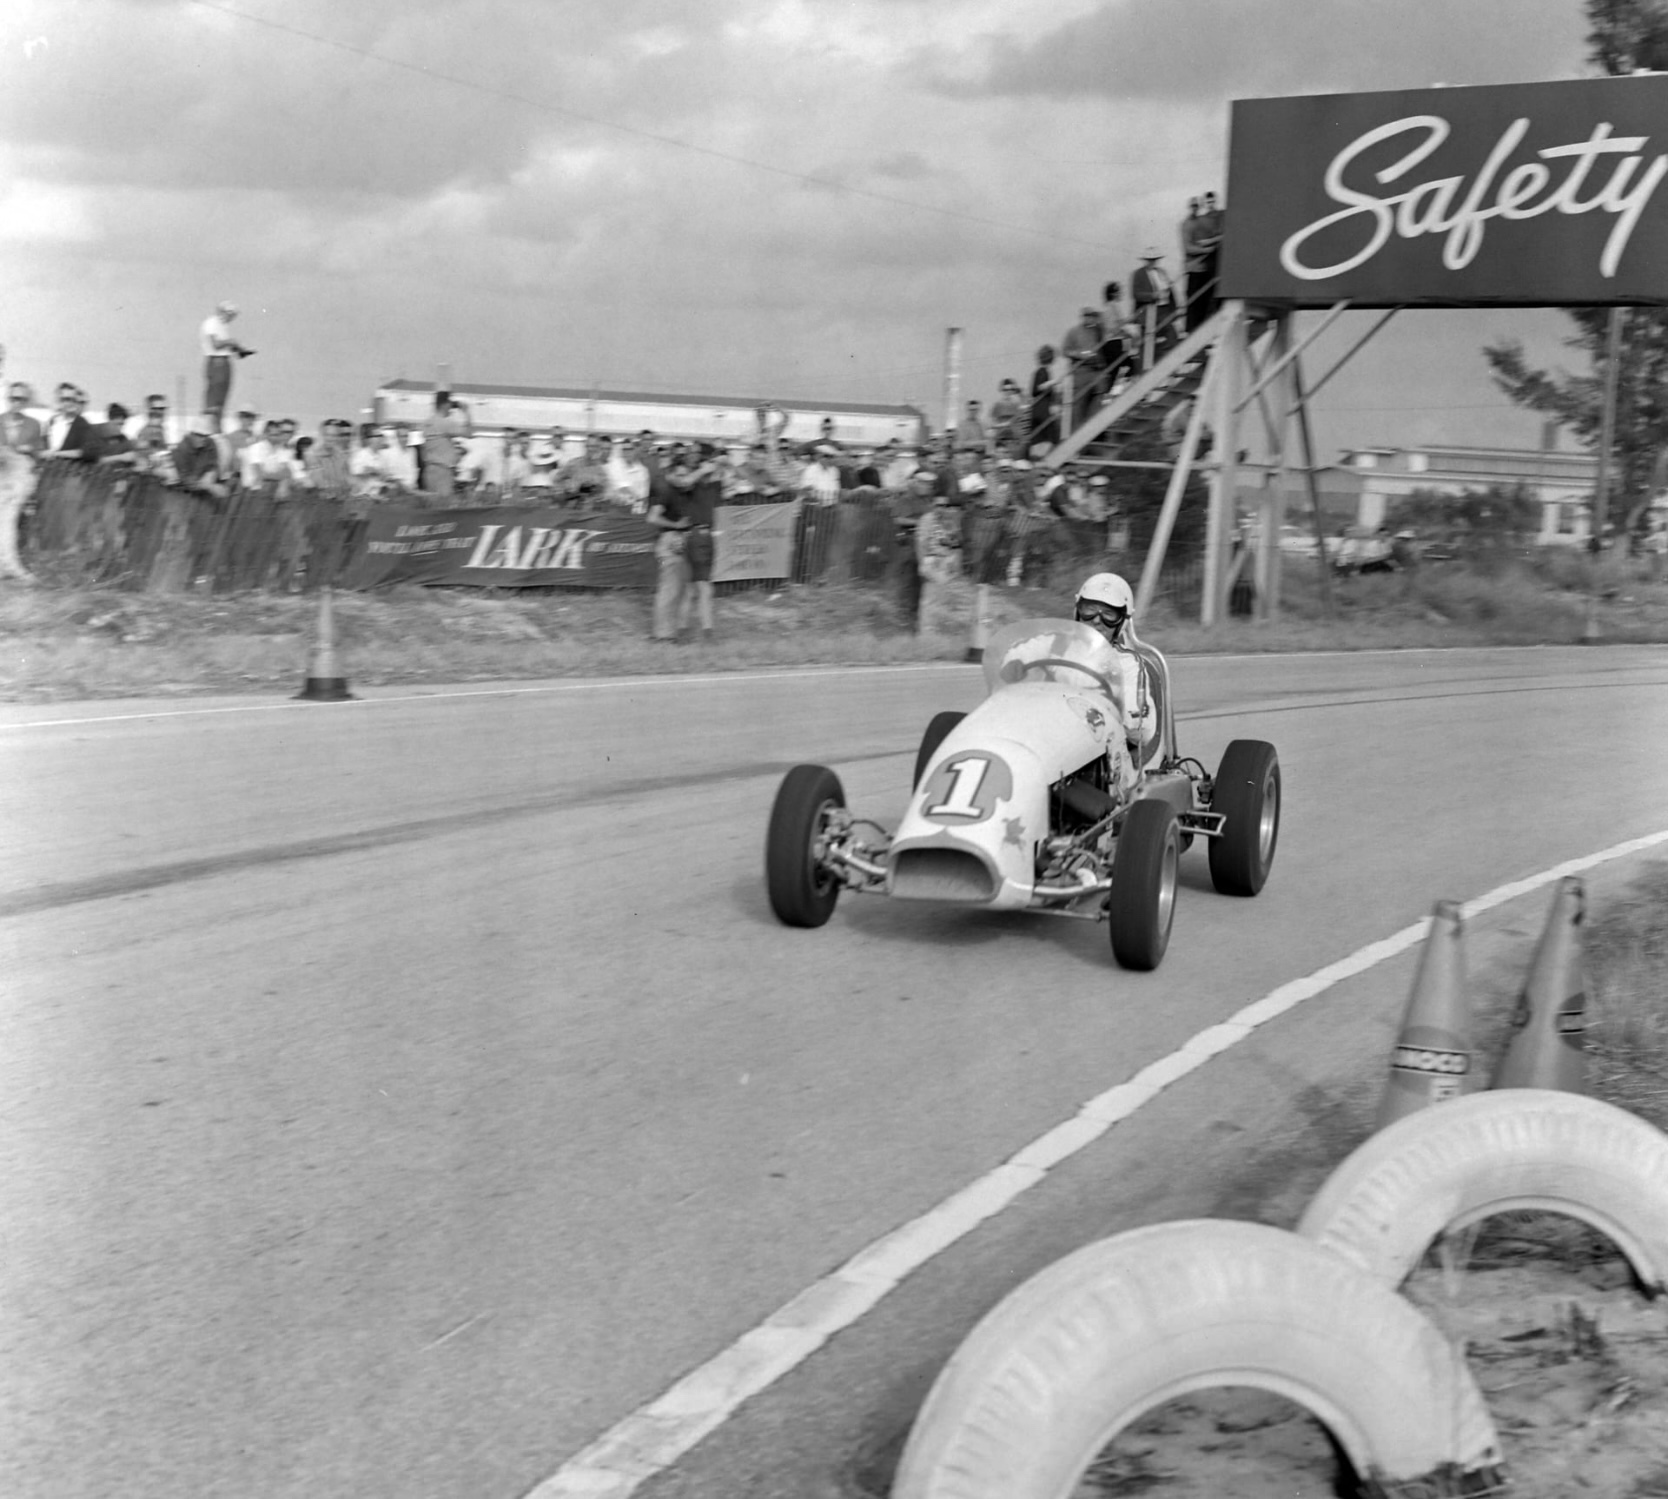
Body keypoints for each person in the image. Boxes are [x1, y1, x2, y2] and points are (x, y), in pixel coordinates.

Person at [1073, 572, 1159, 766]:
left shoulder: (1128, 664)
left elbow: (1142, 731)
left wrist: (1107, 704)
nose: (1097, 620)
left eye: (1108, 614)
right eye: (1090, 610)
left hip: (1103, 758)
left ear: (1121, 621)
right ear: (1078, 611)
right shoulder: (1056, 650)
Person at [200, 301, 254, 424]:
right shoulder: (212, 323)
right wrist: (231, 342)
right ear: (222, 312)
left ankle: (217, 424)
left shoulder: (222, 326)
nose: (231, 318)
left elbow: (225, 346)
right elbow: (216, 345)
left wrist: (239, 350)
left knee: (221, 400)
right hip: (217, 363)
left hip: (223, 362)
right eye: (230, 314)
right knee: (214, 399)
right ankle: (210, 425)